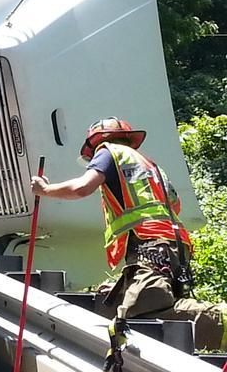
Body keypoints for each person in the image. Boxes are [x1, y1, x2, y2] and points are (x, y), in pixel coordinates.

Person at [31, 117, 226, 349]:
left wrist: (45, 190)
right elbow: (175, 205)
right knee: (140, 309)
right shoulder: (150, 166)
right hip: (173, 245)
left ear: (96, 144)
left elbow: (82, 188)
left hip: (149, 244)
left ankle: (221, 321)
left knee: (138, 311)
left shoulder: (108, 152)